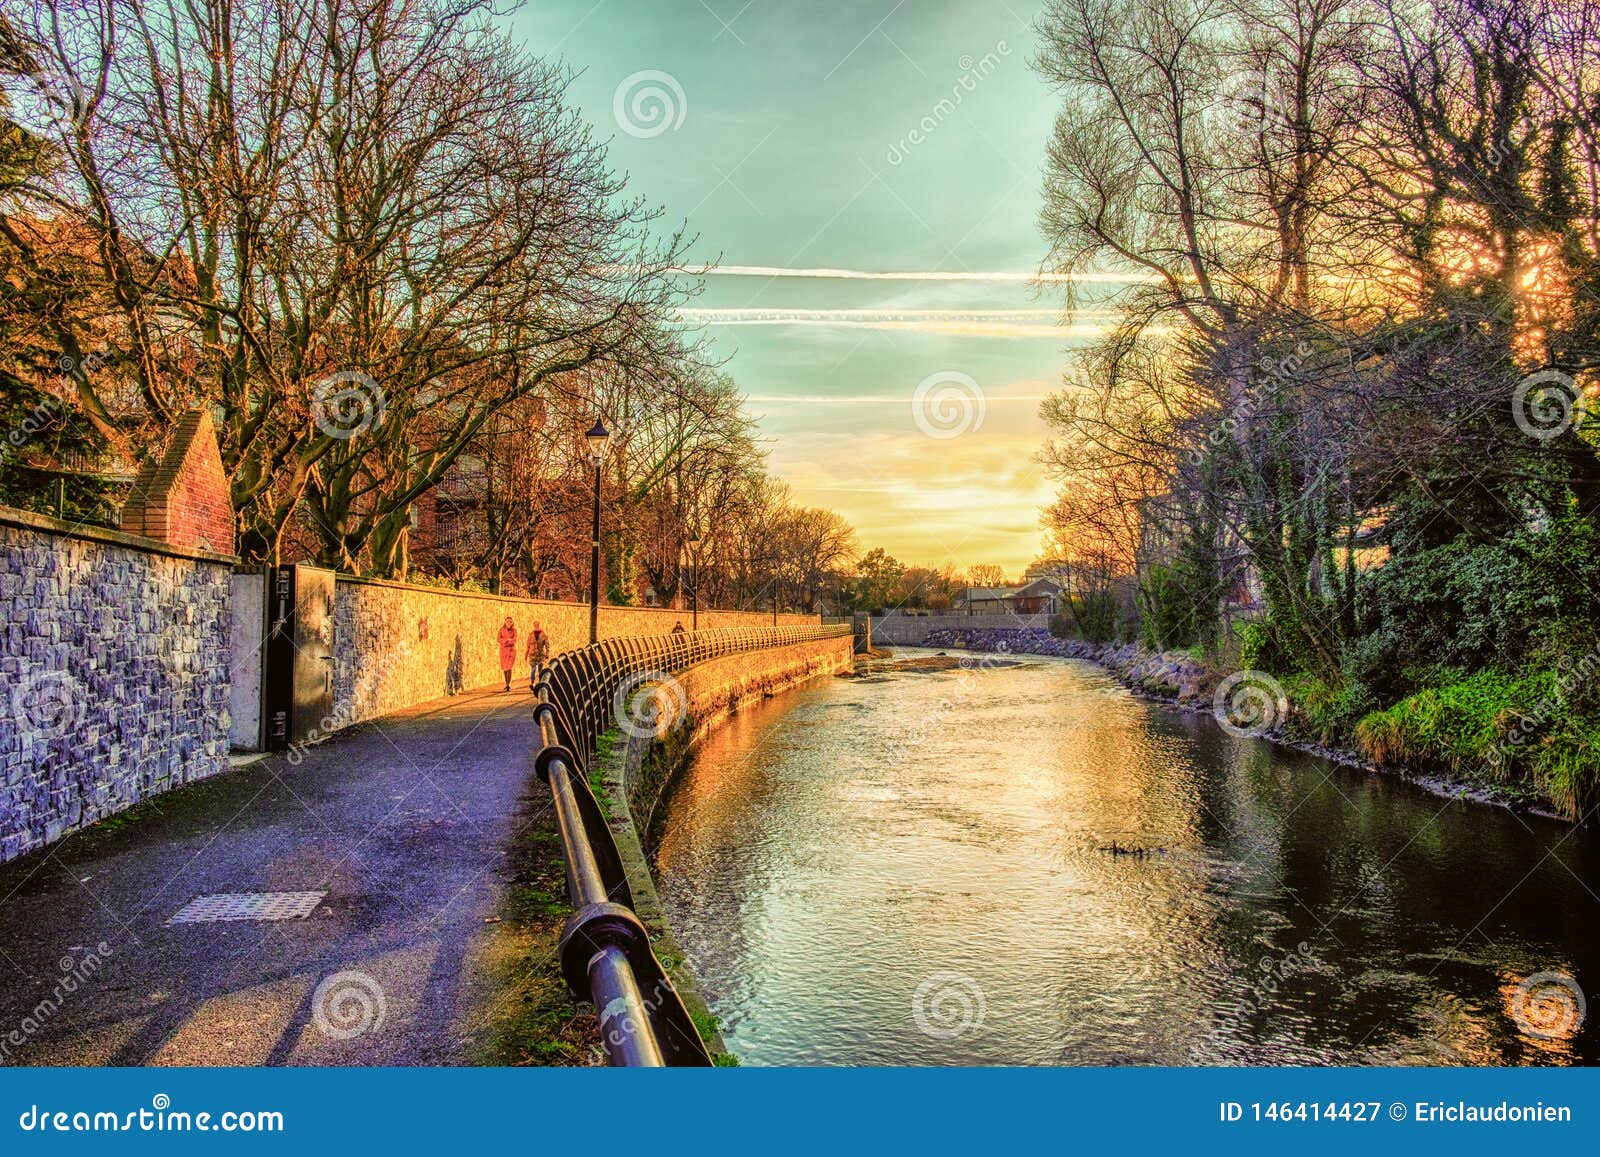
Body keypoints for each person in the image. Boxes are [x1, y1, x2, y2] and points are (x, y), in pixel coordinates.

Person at [526, 623, 549, 690]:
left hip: (540, 655)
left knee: (540, 670)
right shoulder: (530, 635)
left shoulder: (543, 635)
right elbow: (528, 645)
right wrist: (526, 654)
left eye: (537, 625)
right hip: (532, 655)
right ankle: (532, 683)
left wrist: (547, 653)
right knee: (533, 669)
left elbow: (547, 645)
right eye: (535, 625)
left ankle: (540, 683)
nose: (536, 626)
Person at [497, 617, 517, 692]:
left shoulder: (514, 630)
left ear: (512, 622)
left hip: (511, 651)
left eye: (510, 622)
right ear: (505, 622)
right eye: (507, 622)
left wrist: (508, 641)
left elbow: (514, 640)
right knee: (505, 668)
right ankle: (506, 683)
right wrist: (507, 640)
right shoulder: (501, 630)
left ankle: (509, 684)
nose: (509, 623)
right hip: (503, 651)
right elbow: (498, 639)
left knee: (509, 667)